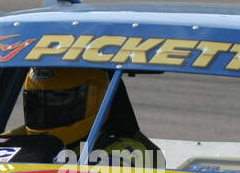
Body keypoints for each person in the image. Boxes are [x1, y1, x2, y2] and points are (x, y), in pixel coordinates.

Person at [15, 67, 163, 167]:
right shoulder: (13, 140)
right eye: (37, 103)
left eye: (58, 101)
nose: (45, 112)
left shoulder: (126, 150)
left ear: (94, 99)